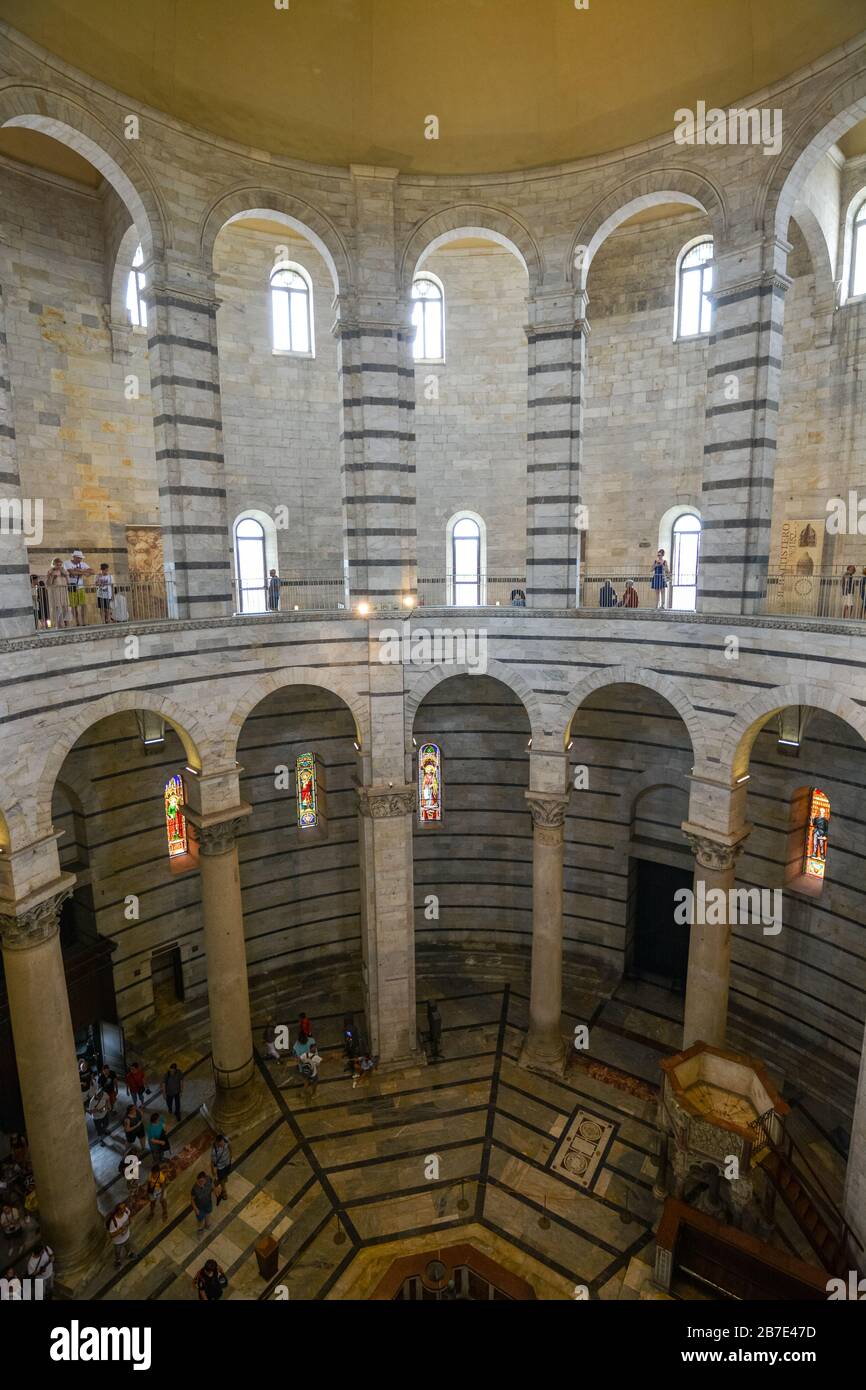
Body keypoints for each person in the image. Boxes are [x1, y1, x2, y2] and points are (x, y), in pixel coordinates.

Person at [64, 549, 93, 626]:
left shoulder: (83, 564)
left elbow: (92, 571)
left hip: (80, 587)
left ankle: (84, 621)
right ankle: (77, 622)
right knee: (74, 606)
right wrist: (84, 572)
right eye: (78, 558)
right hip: (71, 586)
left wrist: (79, 570)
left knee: (83, 604)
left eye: (81, 558)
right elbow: (71, 572)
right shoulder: (67, 563)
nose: (80, 559)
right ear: (74, 557)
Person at [107, 1201, 136, 1267]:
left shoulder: (126, 1211)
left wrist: (130, 1220)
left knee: (128, 1246)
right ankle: (118, 1261)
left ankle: (129, 1254)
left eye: (124, 1206)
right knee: (117, 1252)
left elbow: (129, 1216)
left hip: (126, 1236)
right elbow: (111, 1235)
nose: (125, 1208)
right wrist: (119, 1231)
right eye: (123, 1208)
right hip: (118, 1241)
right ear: (118, 1211)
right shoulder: (113, 1222)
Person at [46, 557, 71, 629]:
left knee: (66, 607)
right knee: (58, 608)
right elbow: (48, 584)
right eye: (57, 565)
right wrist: (53, 577)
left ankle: (67, 624)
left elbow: (69, 582)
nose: (59, 566)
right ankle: (58, 624)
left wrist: (66, 575)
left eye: (60, 565)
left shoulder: (64, 571)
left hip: (63, 591)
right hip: (55, 592)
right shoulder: (50, 571)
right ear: (53, 564)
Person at [211, 1134, 232, 1203]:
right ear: (217, 1142)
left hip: (227, 1163)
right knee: (222, 1179)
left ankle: (217, 1181)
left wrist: (231, 1155)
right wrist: (213, 1170)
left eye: (223, 1143)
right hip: (221, 1167)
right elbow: (212, 1162)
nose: (223, 1145)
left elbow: (229, 1145)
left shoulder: (225, 1139)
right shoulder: (214, 1151)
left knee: (223, 1177)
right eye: (221, 1144)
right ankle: (224, 1190)